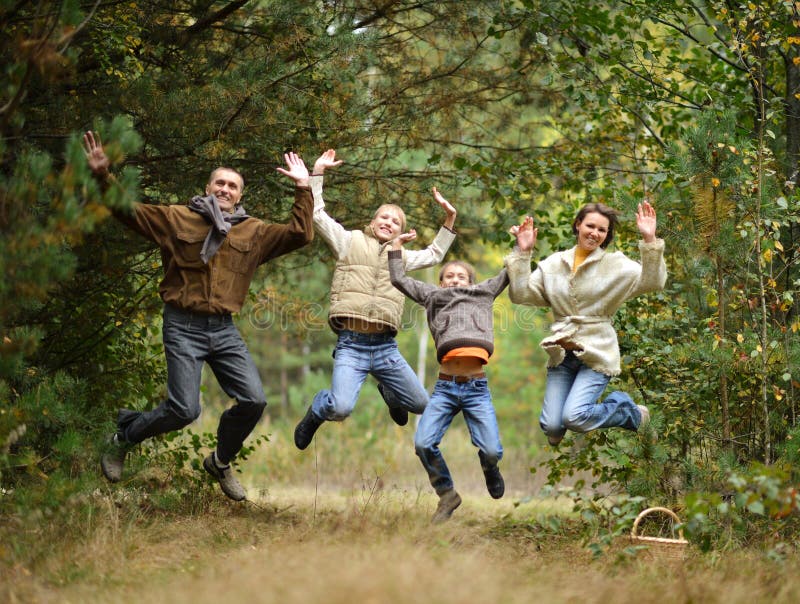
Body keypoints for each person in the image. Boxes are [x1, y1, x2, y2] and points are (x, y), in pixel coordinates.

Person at [83, 131, 314, 501]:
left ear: (241, 195)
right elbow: (130, 212)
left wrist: (305, 187)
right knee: (184, 409)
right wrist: (102, 176)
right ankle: (123, 438)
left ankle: (220, 462)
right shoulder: (177, 218)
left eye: (233, 186)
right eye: (219, 183)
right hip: (182, 325)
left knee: (254, 400)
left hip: (223, 330)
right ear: (207, 187)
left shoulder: (254, 232)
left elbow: (301, 234)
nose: (225, 189)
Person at [293, 149, 457, 450]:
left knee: (421, 404)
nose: (389, 222)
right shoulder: (349, 241)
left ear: (401, 230)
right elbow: (317, 215)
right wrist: (318, 173)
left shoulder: (402, 257)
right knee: (340, 408)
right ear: (373, 220)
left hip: (385, 347)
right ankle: (317, 409)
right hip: (351, 345)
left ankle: (391, 392)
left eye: (396, 221)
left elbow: (435, 254)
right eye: (384, 216)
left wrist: (449, 218)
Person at [506, 201, 666, 447]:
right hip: (562, 352)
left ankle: (632, 412)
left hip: (597, 350)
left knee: (575, 417)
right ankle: (564, 421)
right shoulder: (553, 264)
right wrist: (523, 253)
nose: (595, 233)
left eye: (602, 230)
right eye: (590, 225)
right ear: (578, 225)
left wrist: (649, 239)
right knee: (551, 427)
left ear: (606, 235)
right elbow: (521, 294)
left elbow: (653, 281)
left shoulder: (615, 265)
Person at [389, 243, 509, 523]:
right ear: (440, 283)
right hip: (445, 387)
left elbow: (508, 274)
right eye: (449, 277)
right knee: (423, 443)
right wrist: (395, 250)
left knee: (492, 449)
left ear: (472, 283)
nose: (455, 280)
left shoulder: (483, 293)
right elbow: (399, 279)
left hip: (476, 387)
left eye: (461, 276)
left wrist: (522, 248)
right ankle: (446, 493)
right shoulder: (433, 296)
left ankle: (489, 466)